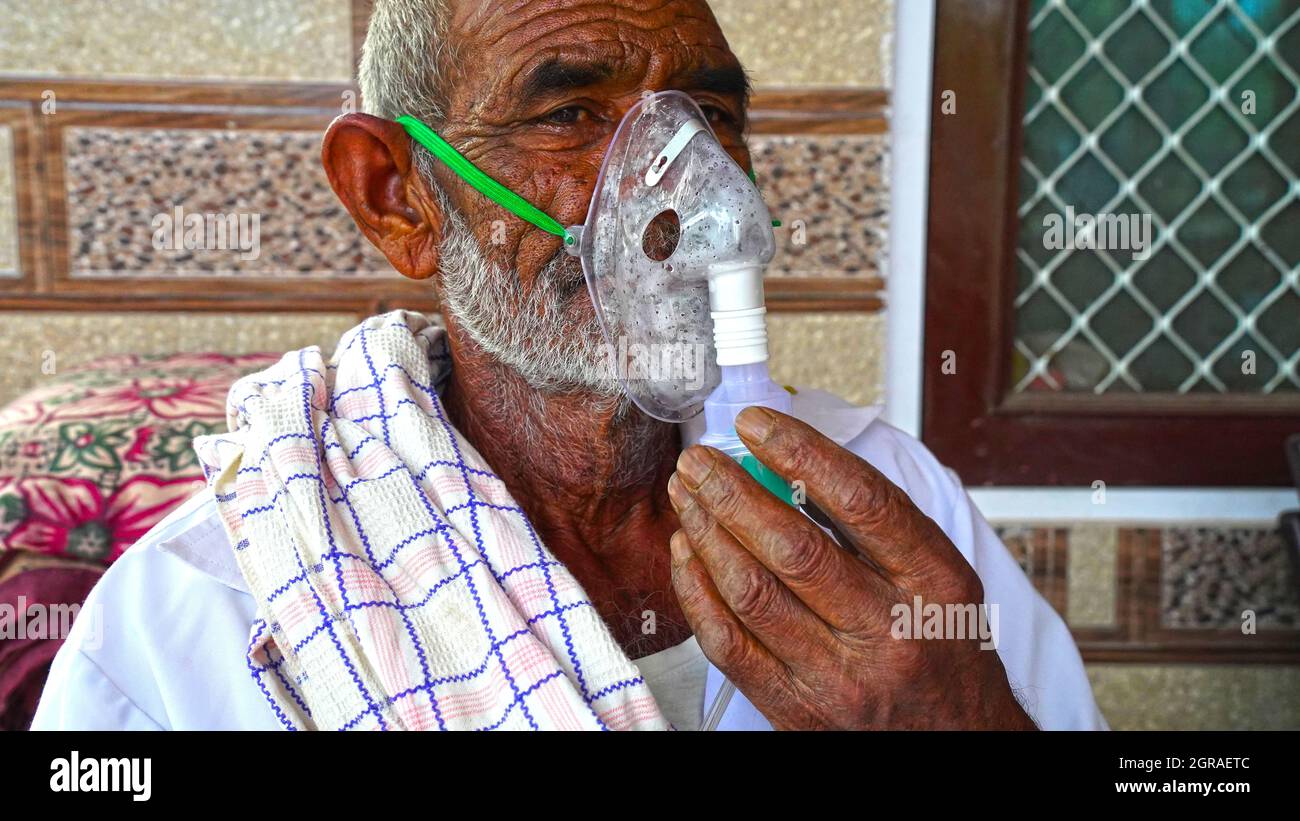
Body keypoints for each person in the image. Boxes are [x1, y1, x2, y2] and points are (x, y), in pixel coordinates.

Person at [33, 0, 1104, 731]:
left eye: (711, 115)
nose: (681, 190)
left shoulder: (888, 505)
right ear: (397, 196)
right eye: (570, 115)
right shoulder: (209, 609)